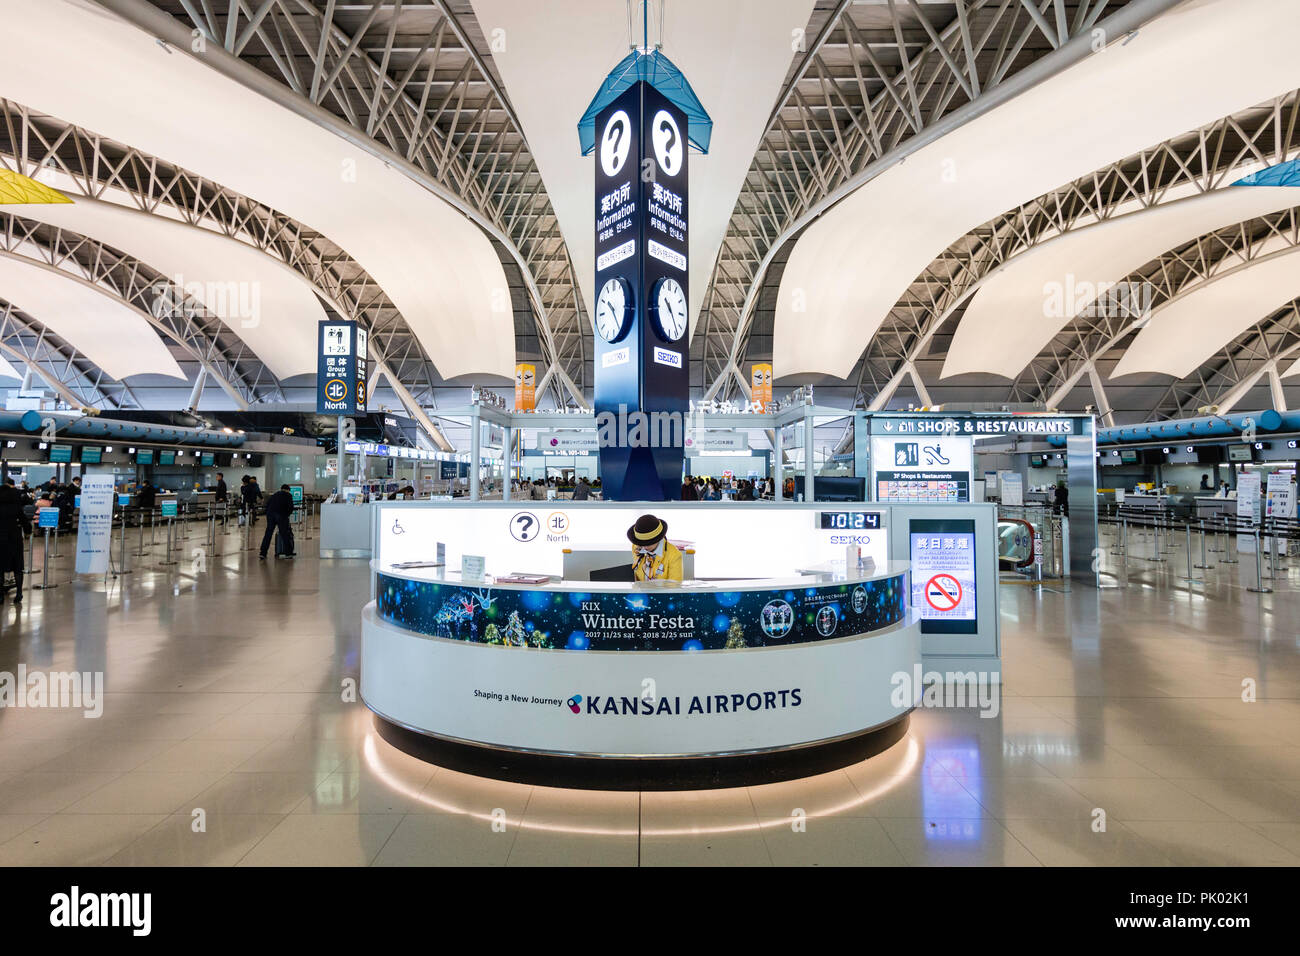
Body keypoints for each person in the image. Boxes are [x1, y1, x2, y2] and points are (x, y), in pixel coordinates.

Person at [0, 477, 30, 604]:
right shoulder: (16, 507)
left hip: (1, 540)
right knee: (18, 567)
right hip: (15, 539)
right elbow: (26, 524)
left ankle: (0, 595)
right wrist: (28, 531)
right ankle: (19, 593)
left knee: (0, 567)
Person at [627, 514, 682, 582]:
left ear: (658, 538)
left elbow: (675, 585)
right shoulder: (636, 547)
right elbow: (637, 574)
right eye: (641, 543)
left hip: (662, 589)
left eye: (649, 543)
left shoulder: (674, 555)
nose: (645, 547)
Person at [259, 484, 296, 559]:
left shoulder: (274, 495)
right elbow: (290, 507)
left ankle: (263, 553)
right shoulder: (288, 495)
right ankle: (288, 553)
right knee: (284, 533)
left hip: (270, 515)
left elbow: (267, 505)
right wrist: (286, 515)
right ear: (288, 490)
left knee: (268, 534)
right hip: (281, 515)